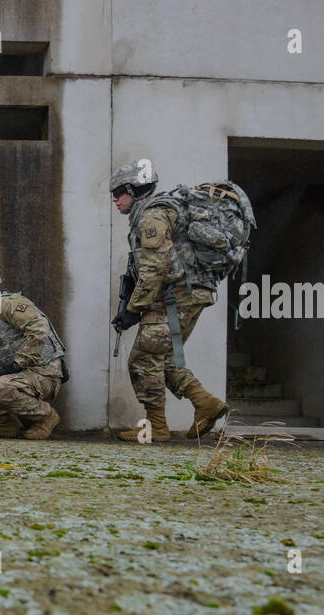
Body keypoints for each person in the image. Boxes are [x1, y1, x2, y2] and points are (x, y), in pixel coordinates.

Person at [110, 161, 229, 441]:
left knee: (143, 359)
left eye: (118, 192)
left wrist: (132, 309)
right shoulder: (153, 212)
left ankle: (157, 428)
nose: (114, 199)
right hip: (184, 296)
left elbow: (154, 267)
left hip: (177, 298)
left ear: (133, 190)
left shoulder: (152, 215)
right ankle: (205, 403)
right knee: (163, 359)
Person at [0, 260, 66, 439]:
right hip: (21, 374)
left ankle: (46, 417)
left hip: (44, 373)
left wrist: (17, 364)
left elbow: (39, 330)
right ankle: (4, 423)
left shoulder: (8, 304)